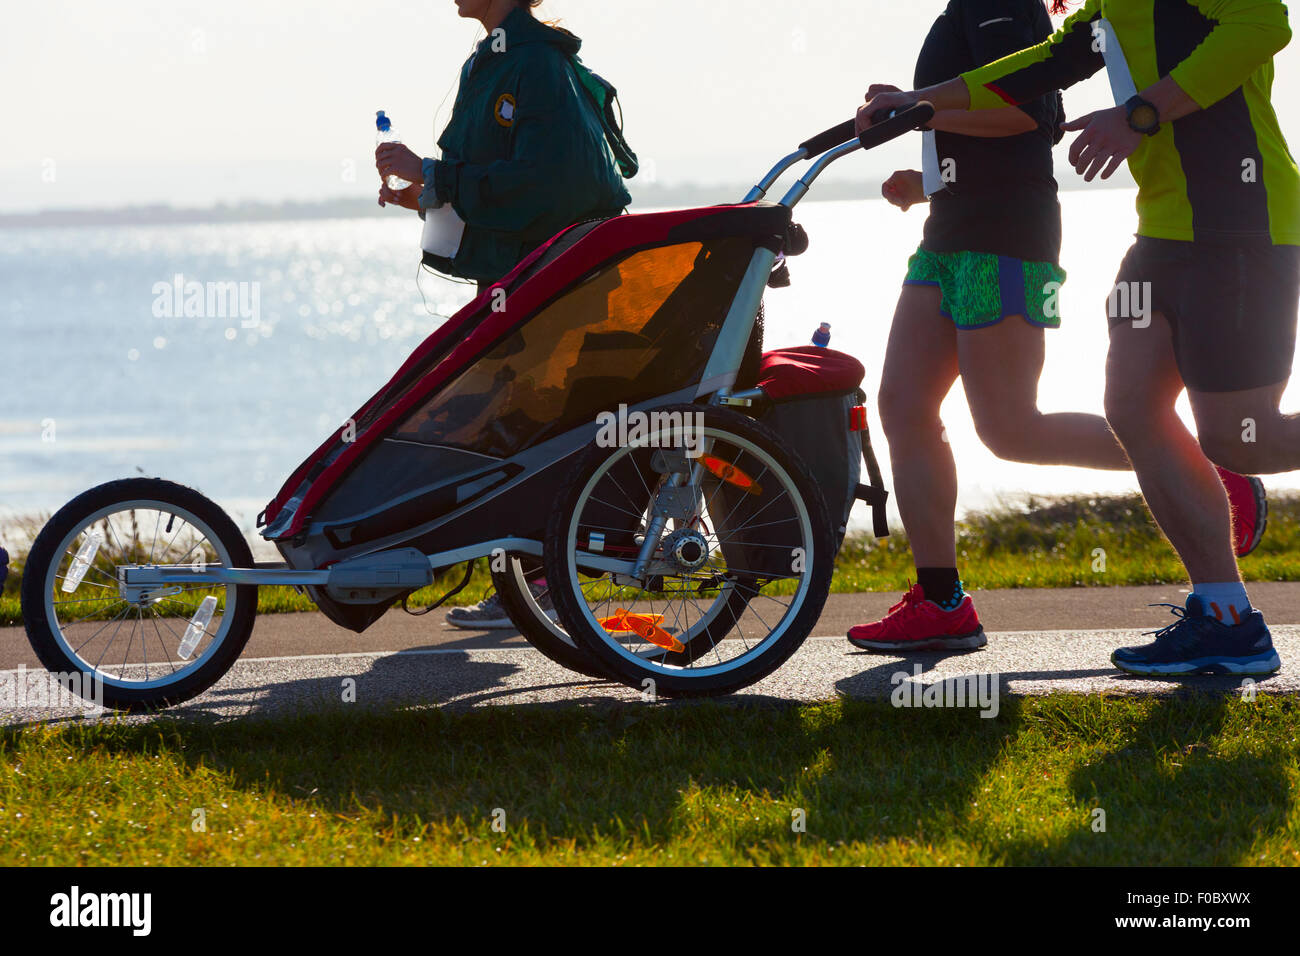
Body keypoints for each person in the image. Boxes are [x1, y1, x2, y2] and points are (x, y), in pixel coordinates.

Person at [858, 0, 1298, 676]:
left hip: (1244, 228)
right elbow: (1035, 66)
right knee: (1132, 411)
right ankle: (1227, 618)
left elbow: (1267, 24)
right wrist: (920, 103)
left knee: (1242, 436)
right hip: (1160, 235)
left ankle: (1226, 606)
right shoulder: (1106, 7)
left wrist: (1139, 113)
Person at [375, 0, 636, 627]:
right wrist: (428, 192)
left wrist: (434, 171)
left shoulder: (536, 64)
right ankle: (529, 582)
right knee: (513, 416)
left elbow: (557, 185)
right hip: (516, 276)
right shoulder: (494, 60)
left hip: (551, 279)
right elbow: (503, 178)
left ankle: (542, 587)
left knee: (536, 419)